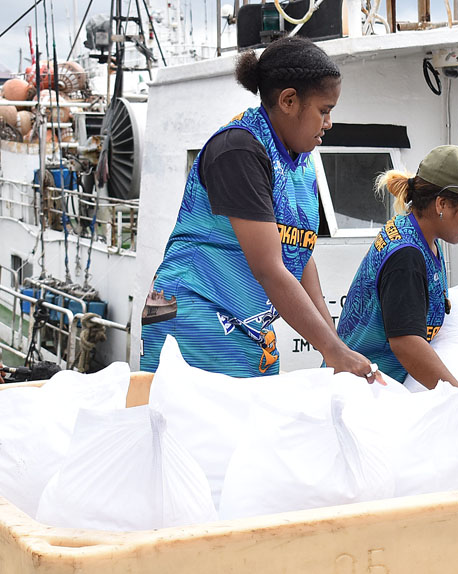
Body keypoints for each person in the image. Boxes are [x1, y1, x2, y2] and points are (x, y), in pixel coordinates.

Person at [139, 36, 378, 381]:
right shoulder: (239, 150)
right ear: (289, 101)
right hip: (194, 314)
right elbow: (268, 267)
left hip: (244, 323)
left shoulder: (301, 160)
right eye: (324, 111)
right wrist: (333, 350)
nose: (328, 123)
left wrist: (334, 343)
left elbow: (299, 250)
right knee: (216, 432)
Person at [336, 145, 458, 388]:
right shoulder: (407, 257)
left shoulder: (418, 234)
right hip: (364, 397)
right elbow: (406, 344)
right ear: (442, 205)